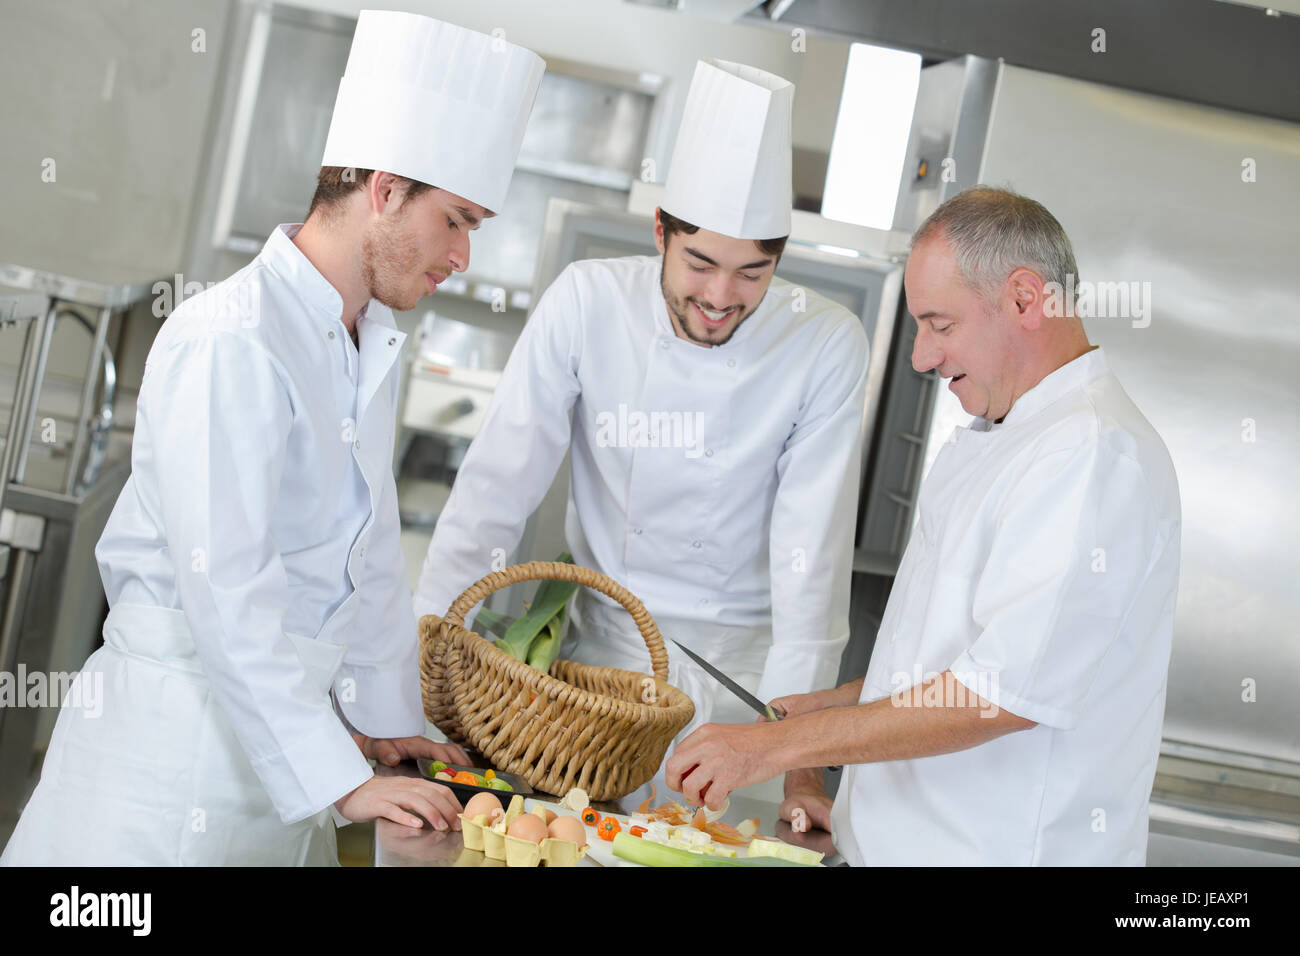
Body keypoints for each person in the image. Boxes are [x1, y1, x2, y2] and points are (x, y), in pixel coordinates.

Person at [0, 10, 544, 866]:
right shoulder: (232, 336)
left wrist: (388, 721)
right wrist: (340, 780)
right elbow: (229, 584)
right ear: (387, 188)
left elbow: (361, 564)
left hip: (279, 769)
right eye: (459, 219)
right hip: (166, 771)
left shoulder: (362, 340)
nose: (464, 256)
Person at [665, 186, 1182, 865]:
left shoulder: (1089, 454)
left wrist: (773, 747)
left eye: (940, 324)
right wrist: (833, 707)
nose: (922, 356)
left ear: (1025, 300)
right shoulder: (1000, 435)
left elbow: (998, 696)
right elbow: (951, 661)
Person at [414, 58, 869, 805]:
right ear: (660, 231)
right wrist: (427, 671)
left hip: (749, 692)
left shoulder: (823, 342)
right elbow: (493, 493)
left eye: (753, 273)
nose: (722, 298)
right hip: (599, 686)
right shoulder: (589, 302)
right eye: (700, 263)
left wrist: (797, 765)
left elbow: (810, 566)